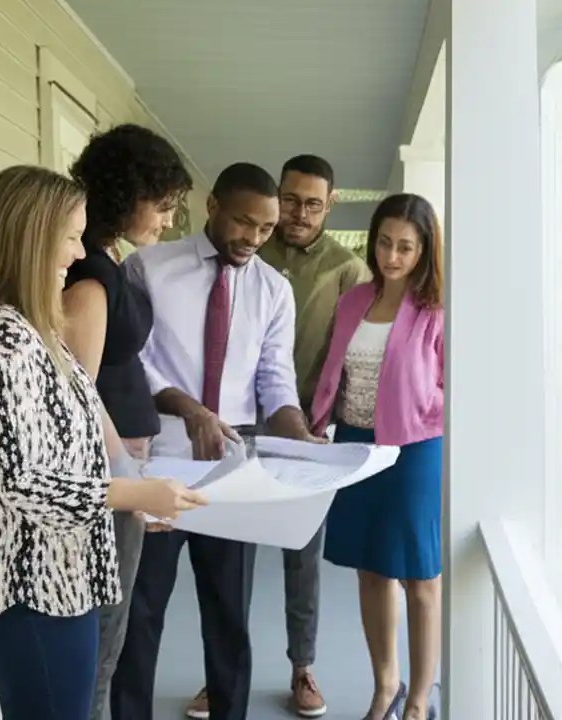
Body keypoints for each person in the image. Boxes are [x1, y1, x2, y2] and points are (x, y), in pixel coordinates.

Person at [0, 165, 206, 720]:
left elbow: (83, 417)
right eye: (71, 237)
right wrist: (133, 497)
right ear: (29, 240)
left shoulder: (34, 330)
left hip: (56, 579)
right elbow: (26, 482)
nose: (79, 254)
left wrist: (138, 485)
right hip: (27, 587)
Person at [111, 162, 326, 720]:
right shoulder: (148, 268)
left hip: (230, 474)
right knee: (142, 613)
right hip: (157, 467)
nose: (253, 238)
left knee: (229, 616)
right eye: (243, 222)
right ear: (211, 206)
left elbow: (274, 380)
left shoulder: (274, 291)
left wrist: (302, 439)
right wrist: (192, 410)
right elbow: (130, 364)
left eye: (265, 228)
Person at [182, 154, 370, 719]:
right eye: (291, 200)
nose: (298, 213)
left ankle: (302, 667)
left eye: (313, 204)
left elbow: (355, 357)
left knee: (300, 553)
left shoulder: (348, 270)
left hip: (302, 428)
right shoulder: (246, 245)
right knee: (224, 552)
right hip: (232, 424)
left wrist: (328, 426)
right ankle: (220, 678)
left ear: (330, 205)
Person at [61, 123, 194, 720]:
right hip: (108, 480)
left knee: (109, 640)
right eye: (162, 206)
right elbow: (78, 396)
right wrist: (130, 480)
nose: (168, 221)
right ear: (125, 193)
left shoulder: (106, 254)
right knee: (101, 647)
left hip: (124, 468)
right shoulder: (89, 271)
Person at [309, 193, 445, 720]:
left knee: (420, 576)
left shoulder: (437, 309)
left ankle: (417, 703)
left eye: (406, 247)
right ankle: (385, 687)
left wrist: (425, 408)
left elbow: (453, 382)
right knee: (370, 570)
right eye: (385, 243)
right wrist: (320, 420)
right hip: (354, 443)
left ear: (424, 250)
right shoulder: (355, 300)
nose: (392, 255)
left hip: (413, 450)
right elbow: (334, 366)